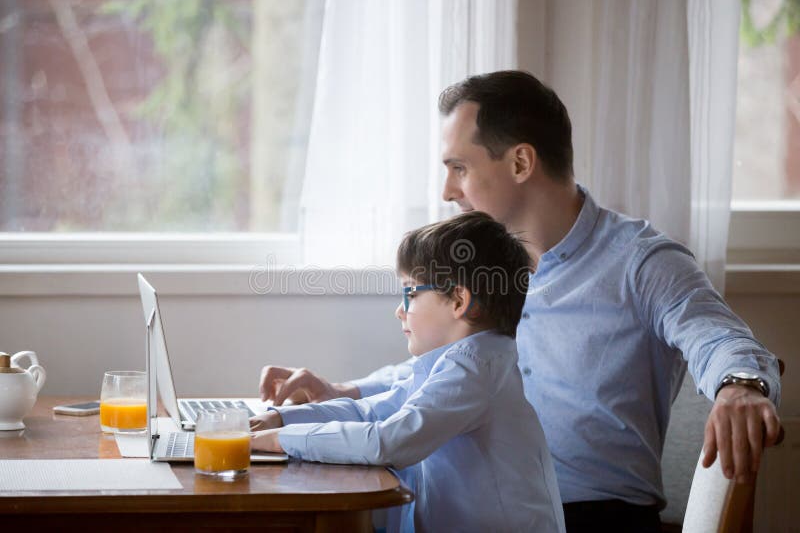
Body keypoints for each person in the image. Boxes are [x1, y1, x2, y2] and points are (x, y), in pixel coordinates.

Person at [257, 71, 782, 532]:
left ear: (521, 161)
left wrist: (742, 386)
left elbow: (720, 336)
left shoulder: (641, 263)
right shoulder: (485, 267)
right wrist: (342, 390)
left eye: (459, 167)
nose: (446, 190)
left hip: (589, 518)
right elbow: (456, 371)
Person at [250, 211, 566, 533]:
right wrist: (282, 418)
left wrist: (279, 440)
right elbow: (370, 410)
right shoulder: (452, 364)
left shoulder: (476, 369)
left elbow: (390, 441)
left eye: (411, 293)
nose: (400, 309)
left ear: (459, 301)